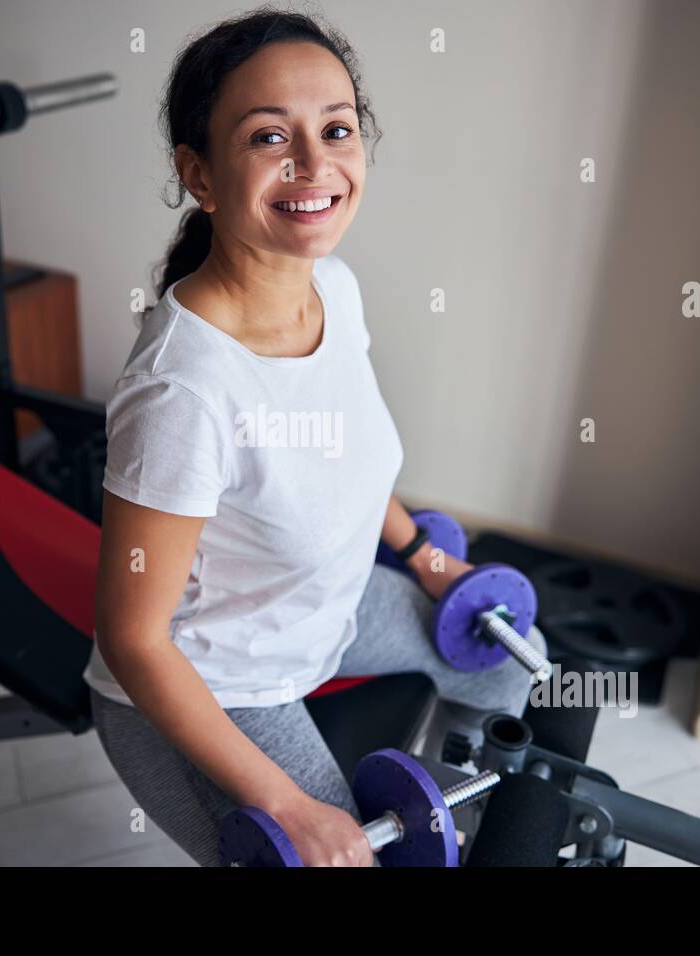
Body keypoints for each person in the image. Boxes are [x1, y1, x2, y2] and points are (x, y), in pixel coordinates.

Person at [85, 7, 545, 867]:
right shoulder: (182, 388)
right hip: (216, 685)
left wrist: (425, 559)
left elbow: (347, 463)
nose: (314, 164)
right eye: (268, 137)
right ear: (201, 174)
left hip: (323, 616)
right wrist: (291, 805)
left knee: (507, 660)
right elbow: (134, 639)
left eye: (335, 129)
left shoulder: (332, 285)